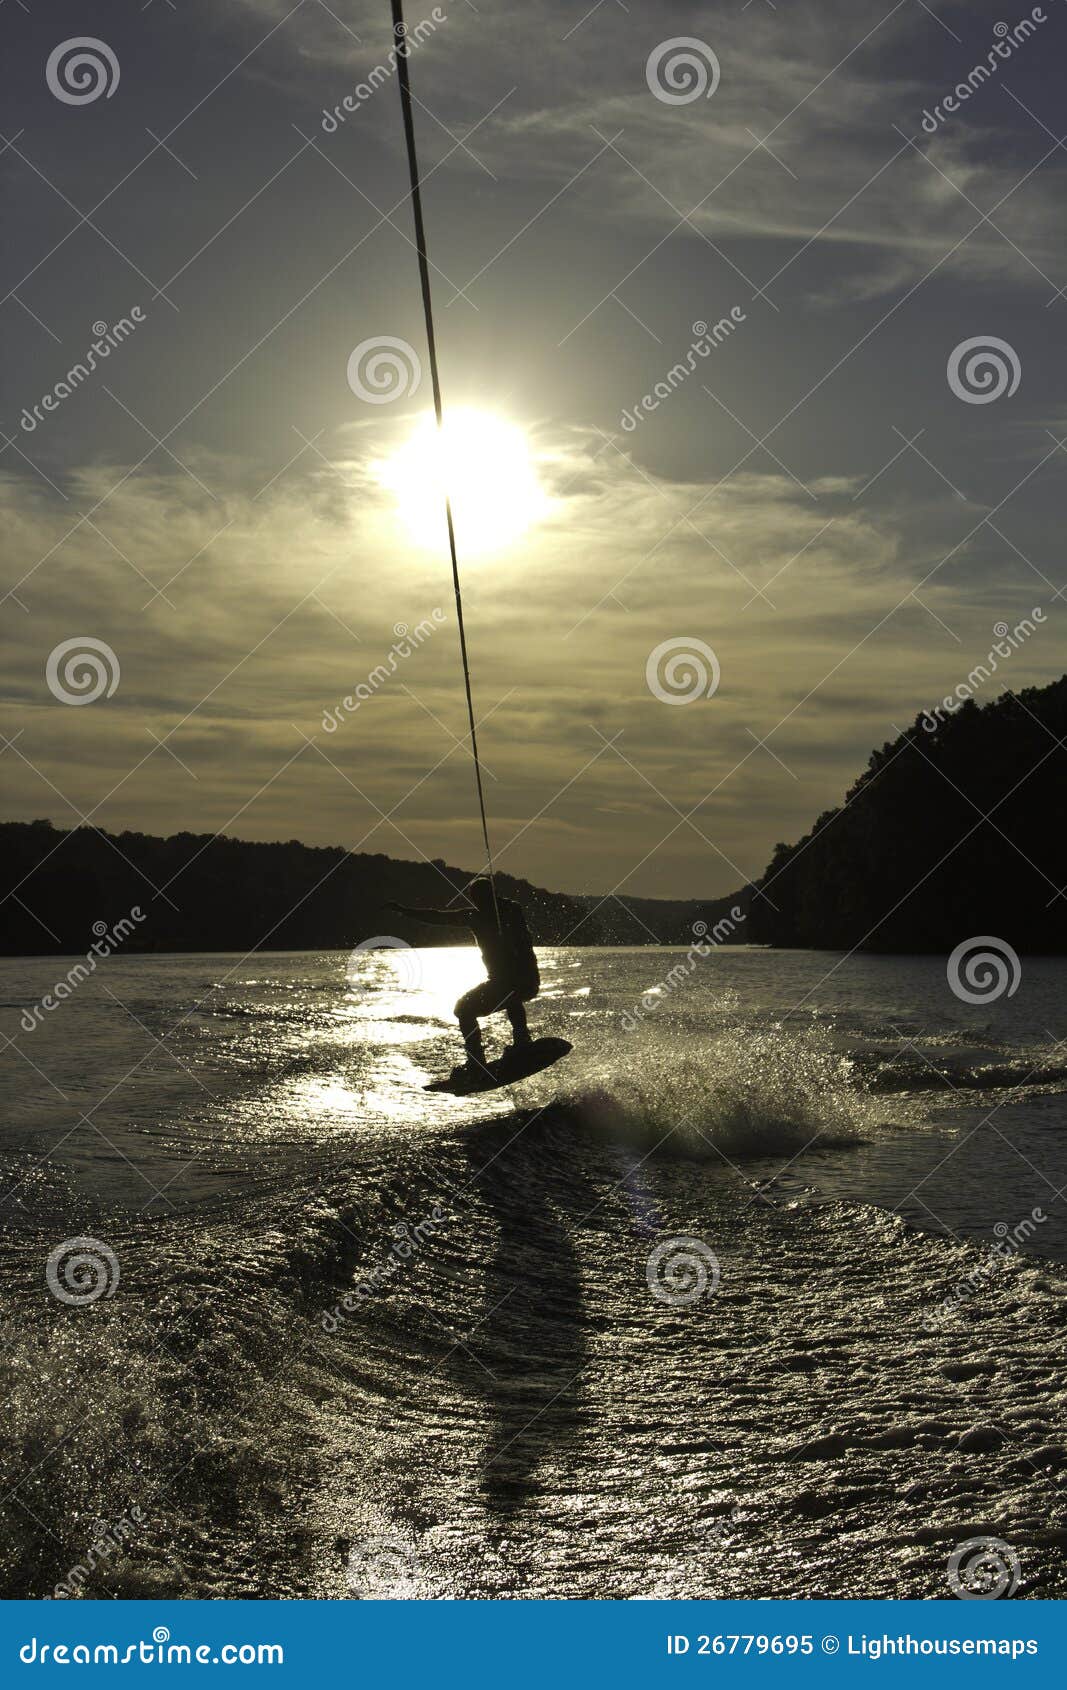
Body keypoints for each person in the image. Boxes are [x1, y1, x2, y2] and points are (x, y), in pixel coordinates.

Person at [387, 878, 540, 1075]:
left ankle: (479, 1061)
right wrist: (404, 910)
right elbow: (438, 917)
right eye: (476, 898)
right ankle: (520, 1041)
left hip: (521, 981)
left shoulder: (509, 911)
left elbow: (521, 931)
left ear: (492, 895)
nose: (478, 902)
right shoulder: (475, 916)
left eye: (482, 897)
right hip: (520, 983)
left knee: (464, 1009)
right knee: (506, 996)